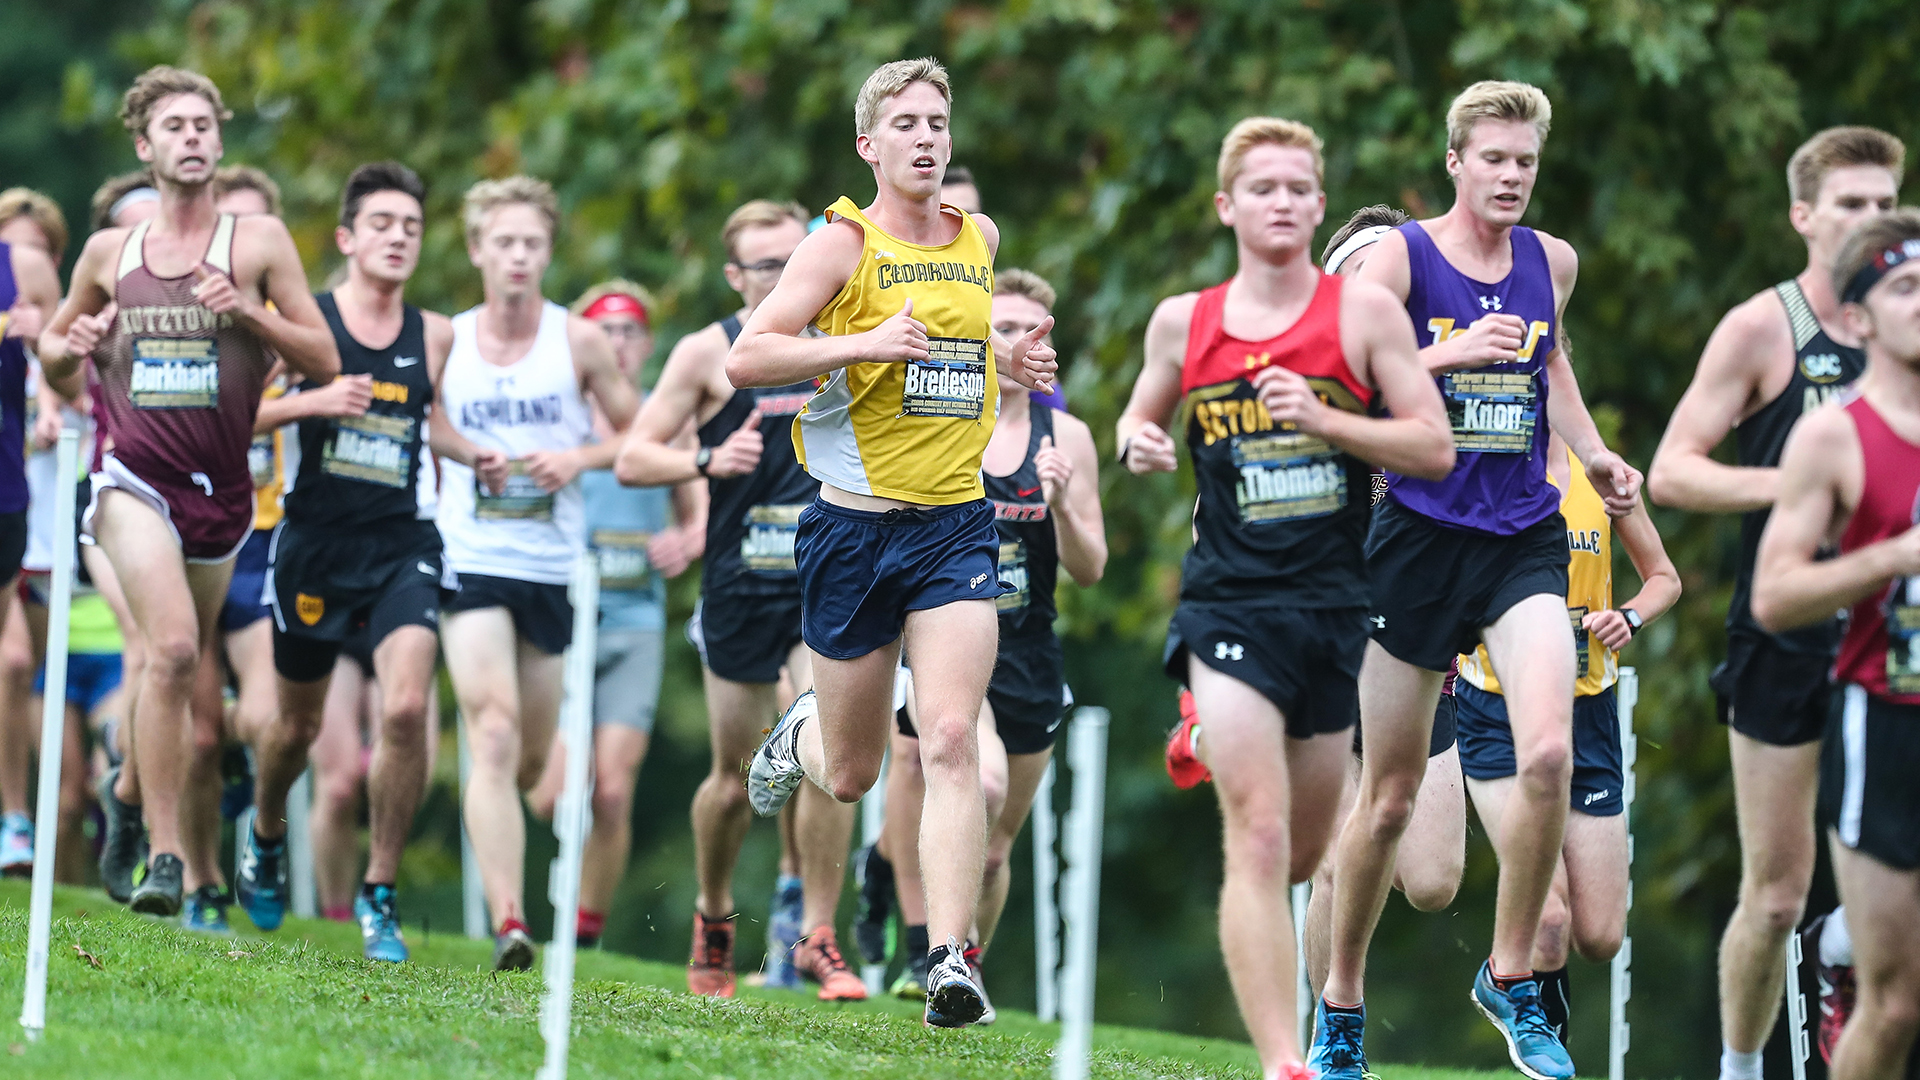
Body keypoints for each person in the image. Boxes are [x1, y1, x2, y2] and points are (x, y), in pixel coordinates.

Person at [1313, 81, 1641, 1080]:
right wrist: (1448, 351)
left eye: (1526, 162)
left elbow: (1556, 371)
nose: (1510, 176)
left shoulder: (1553, 263)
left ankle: (1510, 977)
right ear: (1455, 161)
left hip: (1520, 537)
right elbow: (1340, 370)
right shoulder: (1396, 257)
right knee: (1391, 799)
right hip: (1413, 538)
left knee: (1546, 754)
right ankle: (1341, 1007)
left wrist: (1593, 457)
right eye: (1492, 158)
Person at [1116, 117, 1453, 1079]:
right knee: (1257, 836)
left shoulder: (1364, 320)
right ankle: (1281, 1062)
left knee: (1307, 853)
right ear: (1228, 205)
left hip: (1333, 610)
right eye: (1262, 186)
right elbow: (1141, 414)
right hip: (1226, 603)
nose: (1282, 202)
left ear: (1317, 203)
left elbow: (1431, 446)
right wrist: (1137, 440)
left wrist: (1329, 421)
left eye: (1300, 187)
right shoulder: (1187, 320)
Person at [729, 57, 1057, 1028]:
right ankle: (805, 731)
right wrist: (859, 344)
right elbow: (753, 354)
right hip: (850, 529)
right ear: (870, 145)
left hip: (956, 524)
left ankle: (949, 960)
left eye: (938, 122)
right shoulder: (841, 243)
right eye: (906, 123)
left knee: (952, 736)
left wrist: (1003, 358)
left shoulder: (980, 238)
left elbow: (956, 346)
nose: (926, 138)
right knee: (856, 771)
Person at [37, 65, 341, 916]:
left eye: (205, 124)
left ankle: (129, 794)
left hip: (225, 497)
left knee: (176, 664)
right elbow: (55, 356)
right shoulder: (112, 252)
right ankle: (169, 859)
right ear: (146, 146)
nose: (194, 137)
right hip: (133, 478)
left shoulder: (260, 242)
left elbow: (322, 361)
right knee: (171, 653)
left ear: (220, 138)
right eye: (175, 126)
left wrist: (249, 314)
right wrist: (78, 340)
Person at [1646, 126, 1903, 1078]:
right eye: (1850, 205)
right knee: (1777, 893)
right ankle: (1741, 1067)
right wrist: (1801, 489)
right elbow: (1671, 471)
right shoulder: (1766, 327)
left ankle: (1849, 956)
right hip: (1785, 631)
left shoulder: (1911, 331)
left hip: (1895, 633)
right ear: (1803, 217)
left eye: (1886, 205)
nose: (1871, 222)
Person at [240, 161, 508, 959]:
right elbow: (241, 418)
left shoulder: (436, 332)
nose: (398, 238)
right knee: (295, 725)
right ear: (349, 238)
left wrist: (474, 455)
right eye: (383, 225)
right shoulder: (311, 326)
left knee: (403, 709)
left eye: (411, 228)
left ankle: (380, 891)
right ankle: (262, 829)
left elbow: (432, 422)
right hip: (315, 544)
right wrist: (317, 400)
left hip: (402, 542)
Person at [615, 200, 864, 999]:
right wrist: (706, 457)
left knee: (828, 751)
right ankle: (714, 915)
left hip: (820, 582)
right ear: (734, 275)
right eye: (765, 264)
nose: (784, 272)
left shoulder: (843, 338)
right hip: (735, 588)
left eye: (796, 256)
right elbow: (633, 458)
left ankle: (818, 933)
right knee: (732, 778)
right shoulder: (705, 353)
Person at [874, 269, 1105, 1021]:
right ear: (975, 334)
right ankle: (940, 952)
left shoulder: (1065, 437)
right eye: (1002, 327)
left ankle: (962, 974)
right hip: (947, 641)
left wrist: (1064, 503)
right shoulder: (944, 421)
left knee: (998, 848)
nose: (1019, 341)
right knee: (984, 779)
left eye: (1037, 328)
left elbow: (1091, 567)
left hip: (1032, 652)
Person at [438, 175, 636, 970]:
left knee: (526, 761)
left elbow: (639, 438)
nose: (518, 257)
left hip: (552, 568)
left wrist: (576, 457)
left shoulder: (577, 341)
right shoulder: (444, 340)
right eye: (504, 242)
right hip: (472, 558)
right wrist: (464, 453)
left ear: (547, 252)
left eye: (532, 243)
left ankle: (513, 891)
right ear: (477, 250)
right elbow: (422, 421)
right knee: (491, 733)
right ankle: (511, 920)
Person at [1752, 207, 1920, 1080]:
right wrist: (1891, 556)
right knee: (1895, 1002)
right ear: (1858, 318)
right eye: (1905, 287)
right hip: (1885, 722)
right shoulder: (1834, 436)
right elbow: (1775, 594)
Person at [1456, 428, 1679, 1046]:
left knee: (1601, 936)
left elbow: (1665, 577)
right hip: (1500, 709)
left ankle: (1528, 1006)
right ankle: (1534, 1028)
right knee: (1548, 920)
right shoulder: (1484, 470)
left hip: (1589, 713)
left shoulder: (1600, 478)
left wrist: (1630, 614)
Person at [524, 278, 704, 950]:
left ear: (648, 344)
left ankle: (585, 932)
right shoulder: (556, 418)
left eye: (632, 332)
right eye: (607, 331)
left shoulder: (667, 418)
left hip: (635, 621)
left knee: (610, 793)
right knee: (551, 796)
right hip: (560, 621)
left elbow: (699, 512)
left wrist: (684, 542)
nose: (620, 344)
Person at [0, 195, 65, 875]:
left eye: (40, 251)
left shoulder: (50, 330)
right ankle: (15, 820)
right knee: (14, 664)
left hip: (36, 536)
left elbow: (59, 379)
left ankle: (17, 818)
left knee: (21, 672)